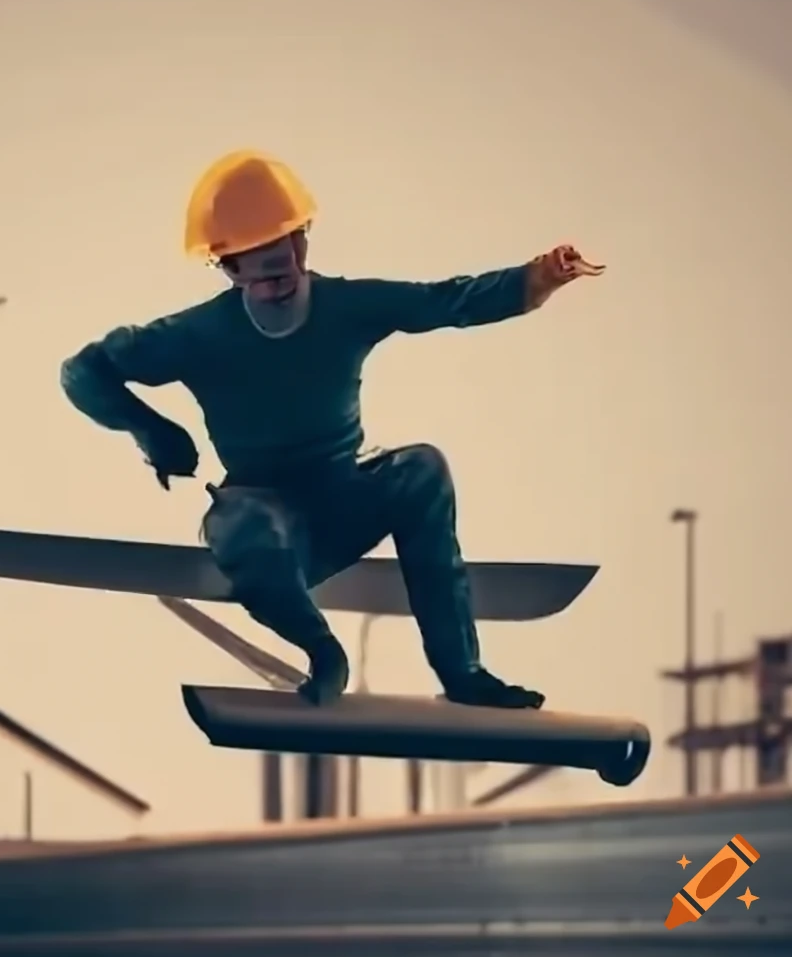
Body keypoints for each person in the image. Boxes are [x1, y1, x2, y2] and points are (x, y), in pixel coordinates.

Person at [60, 150, 605, 710]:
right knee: (241, 519)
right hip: (265, 522)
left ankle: (462, 671)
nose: (279, 283)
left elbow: (448, 301)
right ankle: (323, 653)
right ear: (229, 268)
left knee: (422, 467)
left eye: (286, 261)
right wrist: (151, 431)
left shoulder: (347, 305)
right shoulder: (196, 333)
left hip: (343, 501)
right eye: (261, 271)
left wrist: (540, 277)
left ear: (302, 241)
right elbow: (82, 372)